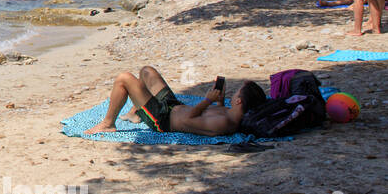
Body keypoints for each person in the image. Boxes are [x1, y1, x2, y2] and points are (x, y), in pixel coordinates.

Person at [84, 66, 266, 136]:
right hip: (174, 107)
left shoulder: (225, 123)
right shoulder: (230, 114)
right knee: (147, 72)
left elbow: (189, 120)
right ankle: (135, 112)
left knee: (124, 78)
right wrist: (219, 99)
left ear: (239, 101)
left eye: (236, 94)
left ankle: (108, 123)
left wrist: (207, 101)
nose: (234, 95)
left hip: (162, 119)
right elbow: (209, 114)